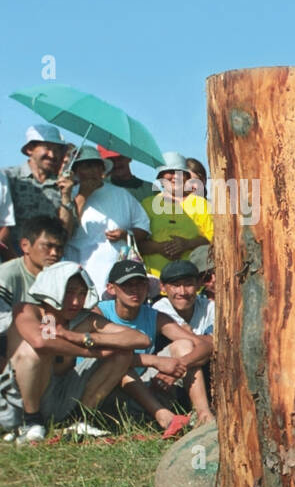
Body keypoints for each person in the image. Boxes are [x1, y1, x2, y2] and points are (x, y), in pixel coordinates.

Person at [0, 261, 146, 442]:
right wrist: (92, 352)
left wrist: (85, 338)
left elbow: (140, 339)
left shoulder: (85, 319)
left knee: (123, 353)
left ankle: (81, 420)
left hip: (62, 395)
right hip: (21, 401)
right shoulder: (28, 310)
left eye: (82, 294)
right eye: (69, 293)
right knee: (31, 352)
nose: (76, 301)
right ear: (53, 289)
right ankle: (30, 422)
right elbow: (40, 342)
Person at [97, 259, 213, 434]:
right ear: (112, 288)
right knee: (120, 361)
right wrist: (156, 361)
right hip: (104, 391)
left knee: (184, 344)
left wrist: (180, 363)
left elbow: (204, 346)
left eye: (140, 284)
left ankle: (203, 415)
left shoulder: (155, 316)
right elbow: (97, 357)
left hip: (144, 387)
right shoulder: (99, 312)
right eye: (127, 285)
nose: (134, 290)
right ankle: (163, 417)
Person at [62, 146, 152, 292]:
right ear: (76, 171)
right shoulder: (68, 195)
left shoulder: (121, 195)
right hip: (79, 279)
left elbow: (144, 227)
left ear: (103, 170)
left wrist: (125, 234)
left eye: (96, 166)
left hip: (118, 280)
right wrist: (83, 195)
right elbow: (64, 232)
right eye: (86, 166)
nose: (92, 171)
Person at [139, 152, 213, 280]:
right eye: (170, 172)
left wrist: (187, 244)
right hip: (156, 283)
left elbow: (213, 241)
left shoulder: (202, 204)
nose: (175, 176)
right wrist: (159, 247)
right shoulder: (147, 204)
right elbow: (138, 243)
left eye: (179, 172)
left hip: (194, 282)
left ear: (186, 176)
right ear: (161, 177)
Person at [3, 125, 74, 243]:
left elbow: (65, 233)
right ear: (30, 149)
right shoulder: (8, 177)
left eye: (57, 150)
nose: (52, 155)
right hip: (9, 257)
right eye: (47, 148)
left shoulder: (62, 184)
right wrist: (16, 260)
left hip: (47, 258)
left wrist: (66, 196)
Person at [0, 216, 67, 337]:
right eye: (48, 246)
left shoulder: (62, 278)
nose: (54, 253)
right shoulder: (6, 276)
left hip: (48, 339)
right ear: (25, 245)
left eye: (59, 248)